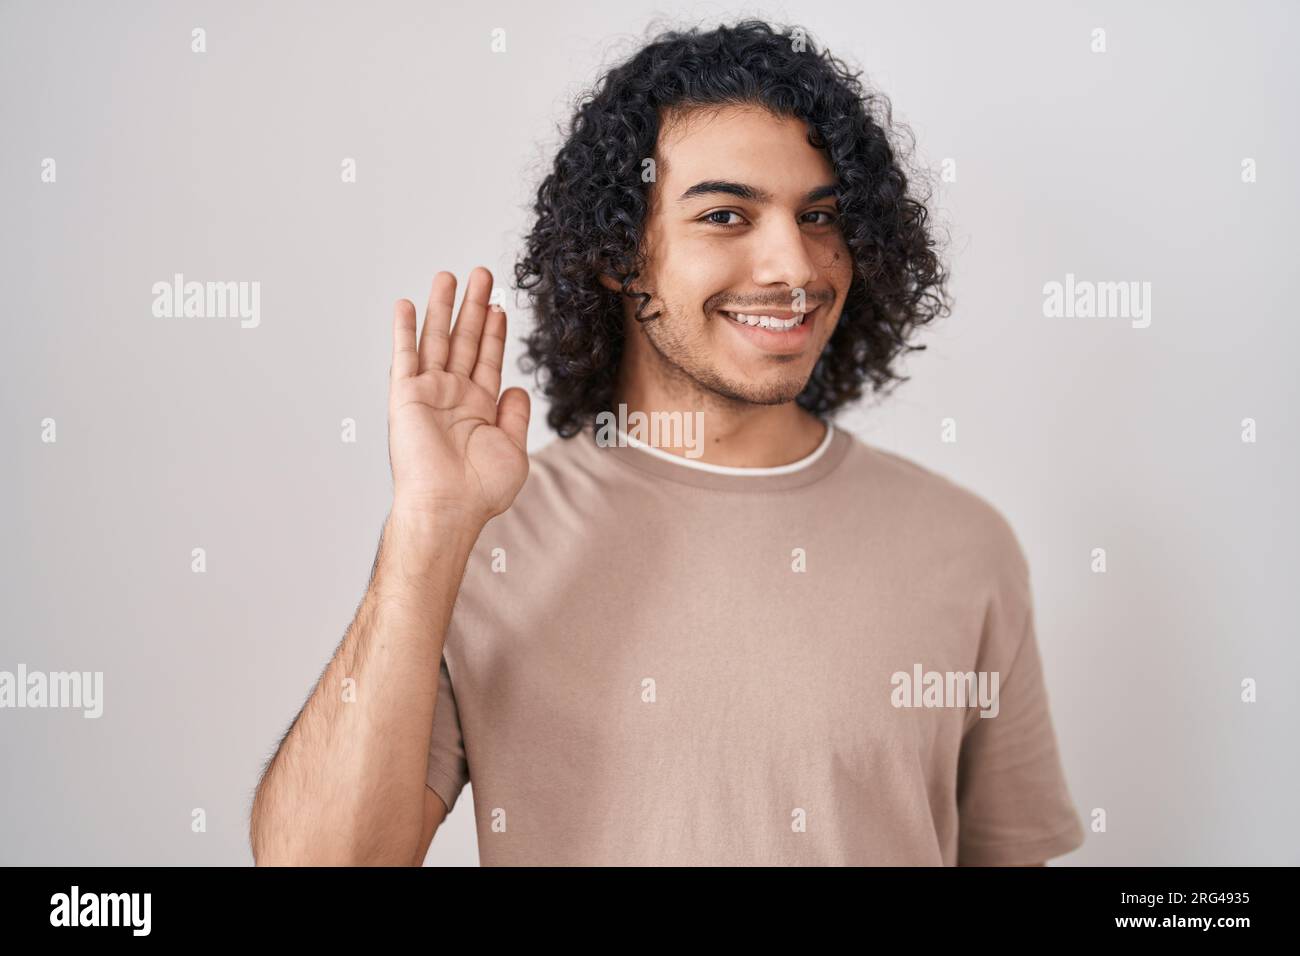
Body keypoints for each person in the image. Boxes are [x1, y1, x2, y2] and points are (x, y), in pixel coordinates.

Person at [249, 19, 1085, 866]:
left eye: (820, 215)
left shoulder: (965, 547)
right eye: (727, 215)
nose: (794, 266)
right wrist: (429, 526)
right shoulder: (485, 542)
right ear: (621, 256)